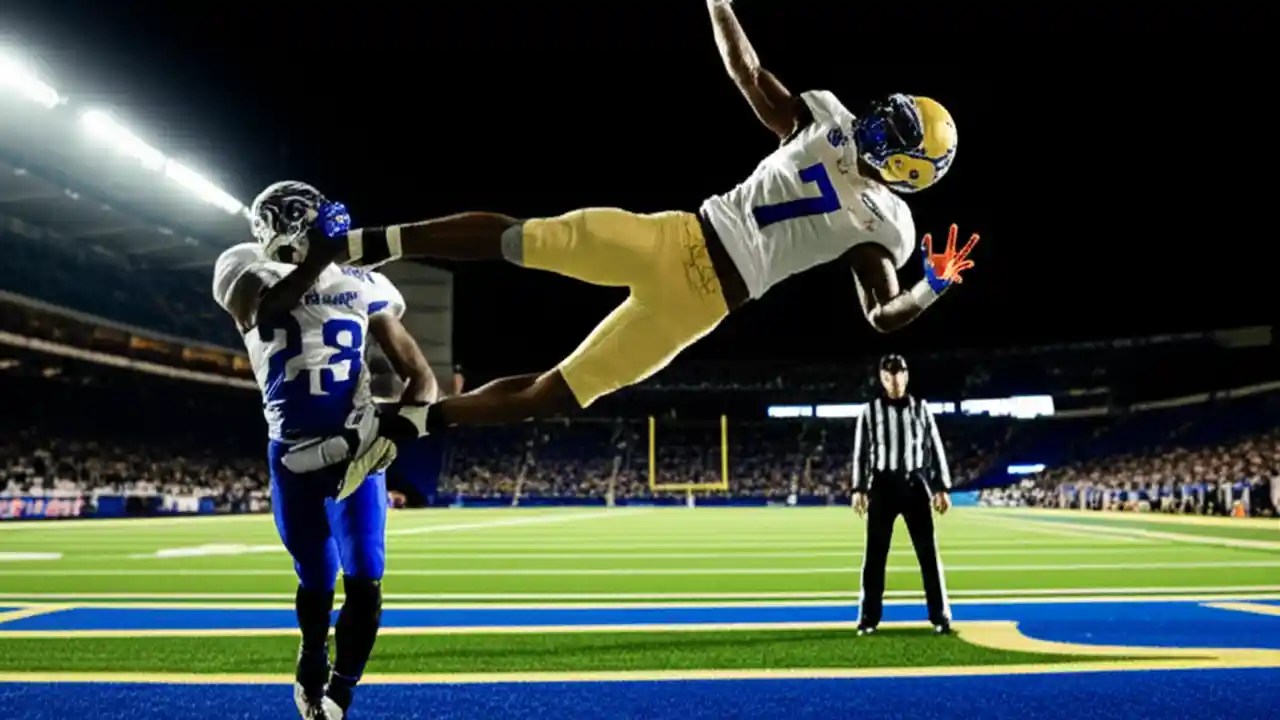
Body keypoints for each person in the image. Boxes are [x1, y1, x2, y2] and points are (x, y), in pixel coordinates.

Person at [285, 0, 977, 451]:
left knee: (553, 392)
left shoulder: (888, 222)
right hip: (675, 237)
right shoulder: (823, 117)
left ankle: (411, 422)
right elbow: (747, 70)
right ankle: (364, 245)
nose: (878, 123)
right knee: (521, 237)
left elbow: (882, 315)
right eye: (889, 113)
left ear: (914, 170)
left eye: (895, 131)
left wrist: (931, 289)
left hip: (700, 306)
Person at [212, 181, 440, 720]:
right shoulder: (243, 267)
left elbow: (422, 377)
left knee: (366, 578)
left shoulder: (364, 283)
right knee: (315, 581)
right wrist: (321, 257)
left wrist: (396, 433)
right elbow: (268, 313)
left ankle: (341, 693)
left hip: (354, 454)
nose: (297, 227)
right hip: (292, 456)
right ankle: (312, 651)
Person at [851, 354, 953, 635]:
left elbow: (934, 447)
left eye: (898, 374)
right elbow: (861, 453)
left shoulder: (921, 408)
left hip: (914, 484)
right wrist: (859, 488)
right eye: (888, 375)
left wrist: (941, 487)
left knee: (928, 553)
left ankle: (940, 615)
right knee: (875, 555)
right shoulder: (869, 411)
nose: (894, 379)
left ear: (906, 376)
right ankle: (868, 618)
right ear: (881, 378)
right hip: (882, 486)